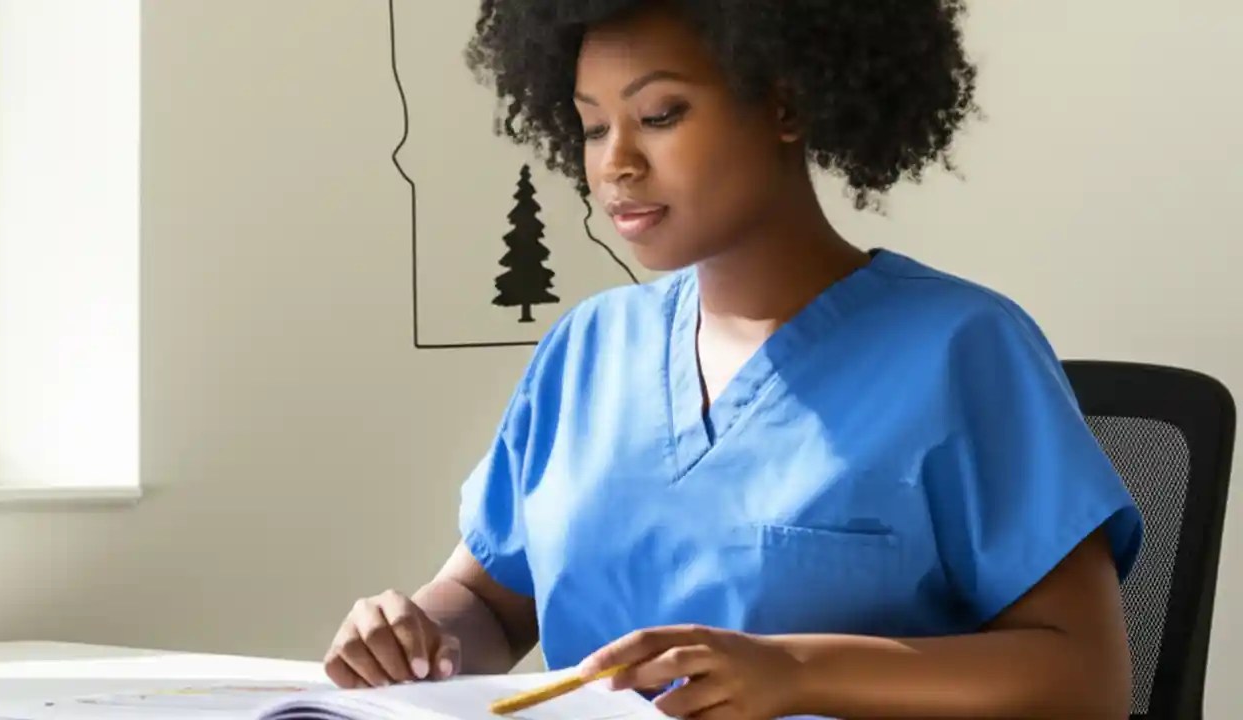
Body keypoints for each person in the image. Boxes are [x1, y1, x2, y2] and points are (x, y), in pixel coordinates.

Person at [324, 1, 1144, 718]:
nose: (615, 164)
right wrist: (415, 638)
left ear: (784, 101)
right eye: (593, 126)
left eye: (661, 114)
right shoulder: (587, 349)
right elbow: (489, 603)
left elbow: (1084, 680)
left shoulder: (964, 350)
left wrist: (798, 673)